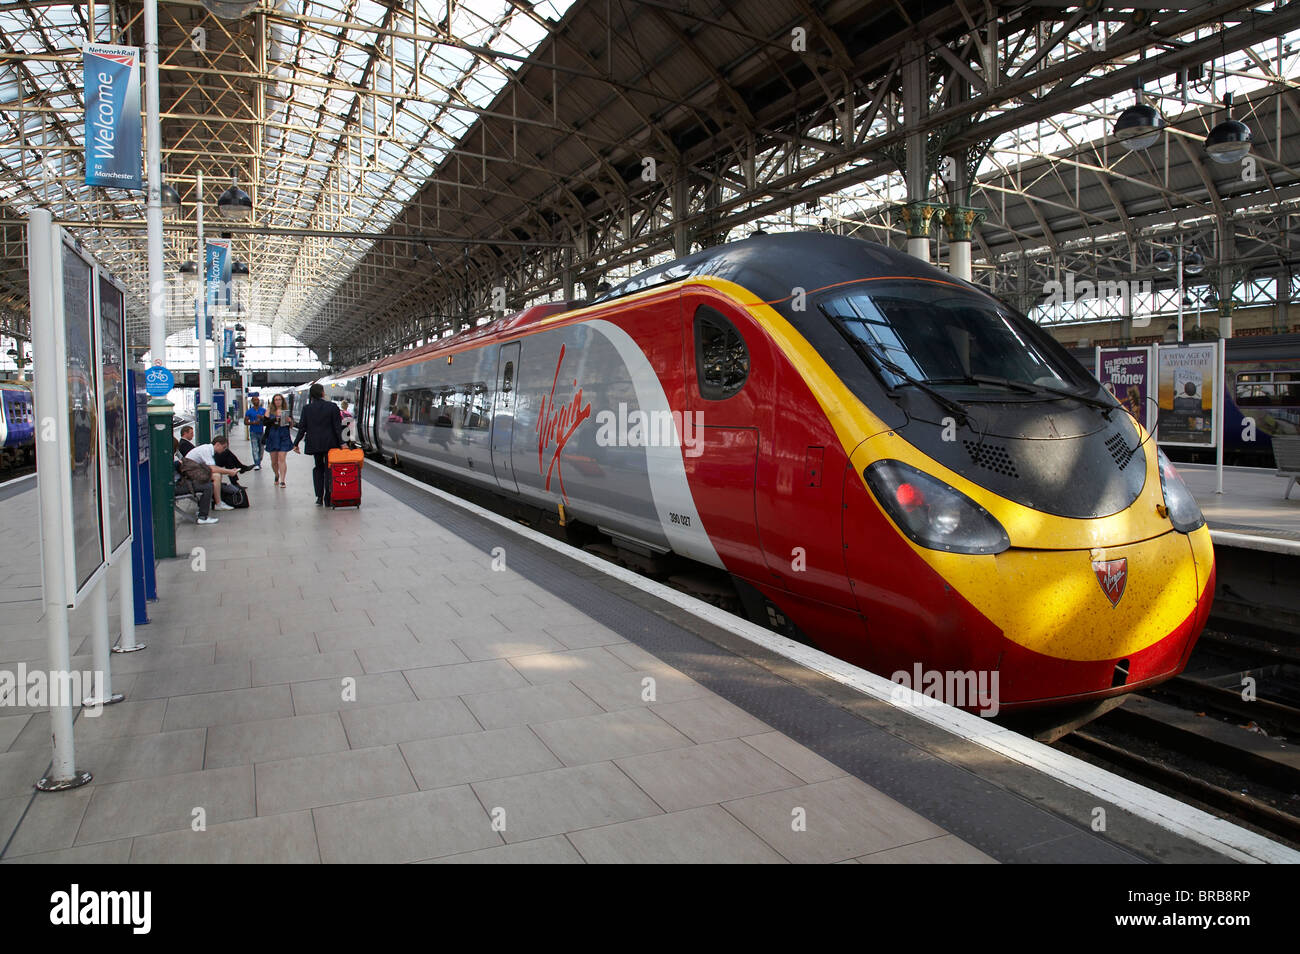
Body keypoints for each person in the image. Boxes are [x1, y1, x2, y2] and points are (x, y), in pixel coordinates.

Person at [293, 382, 344, 506]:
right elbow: (338, 427)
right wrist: (342, 443)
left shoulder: (307, 409)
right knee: (329, 469)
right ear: (322, 393)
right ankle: (328, 497)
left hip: (315, 444)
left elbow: (302, 428)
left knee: (318, 468)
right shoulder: (332, 407)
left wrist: (296, 443)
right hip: (330, 443)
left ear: (311, 395)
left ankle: (319, 496)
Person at [185, 435, 241, 511]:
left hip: (193, 470)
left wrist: (229, 471)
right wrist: (229, 471)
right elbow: (212, 469)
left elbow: (213, 467)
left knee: (218, 474)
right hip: (190, 473)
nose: (224, 450)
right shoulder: (206, 450)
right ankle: (218, 504)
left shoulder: (208, 449)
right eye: (223, 447)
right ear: (217, 444)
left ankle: (218, 502)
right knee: (216, 476)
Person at [174, 438, 218, 524]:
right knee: (207, 486)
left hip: (179, 483)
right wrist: (178, 464)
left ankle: (202, 510)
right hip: (176, 487)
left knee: (205, 483)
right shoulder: (168, 460)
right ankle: (203, 517)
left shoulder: (168, 457)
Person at [263, 393, 295, 488]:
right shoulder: (269, 411)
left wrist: (290, 421)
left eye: (279, 399)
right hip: (273, 436)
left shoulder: (286, 411)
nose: (278, 401)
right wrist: (274, 420)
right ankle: (276, 474)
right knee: (274, 461)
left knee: (282, 458)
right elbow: (265, 422)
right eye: (276, 399)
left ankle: (282, 480)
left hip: (284, 435)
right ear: (273, 401)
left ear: (282, 401)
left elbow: (291, 425)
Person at [244, 396, 266, 470]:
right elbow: (245, 422)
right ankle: (257, 463)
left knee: (261, 448)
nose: (256, 401)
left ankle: (259, 461)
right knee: (255, 448)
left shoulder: (263, 410)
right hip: (253, 432)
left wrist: (262, 417)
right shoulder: (249, 411)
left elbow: (267, 419)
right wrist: (253, 422)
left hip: (261, 432)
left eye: (258, 400)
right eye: (255, 400)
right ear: (252, 402)